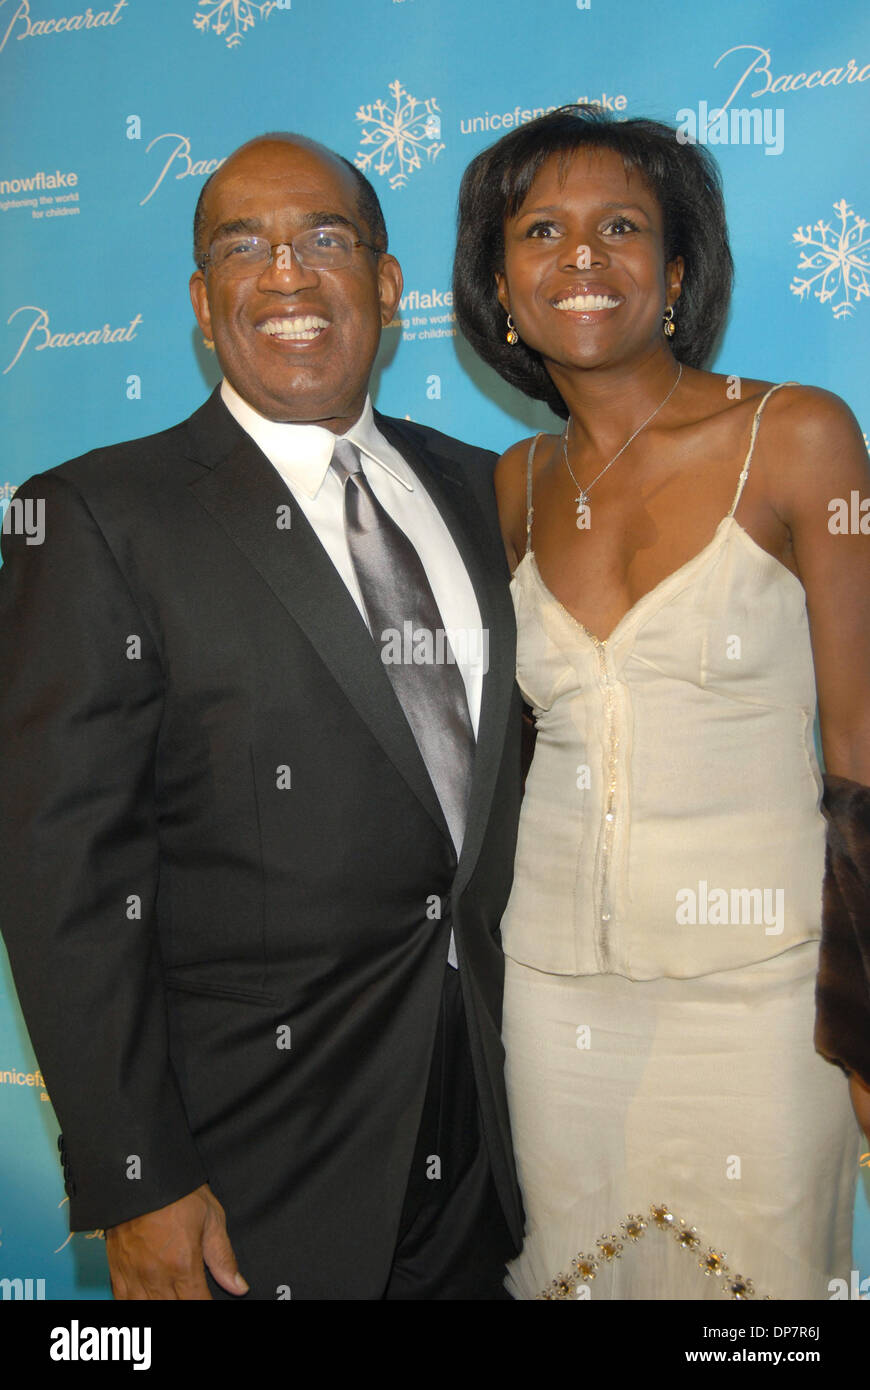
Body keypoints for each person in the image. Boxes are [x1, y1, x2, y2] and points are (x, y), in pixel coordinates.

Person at [0, 132, 525, 1300]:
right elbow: (60, 876)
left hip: (495, 1152)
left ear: (389, 286)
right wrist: (136, 1179)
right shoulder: (93, 516)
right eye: (244, 247)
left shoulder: (491, 493)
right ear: (202, 301)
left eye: (325, 239)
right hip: (252, 1178)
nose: (286, 274)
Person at [454, 104, 870, 1300]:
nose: (581, 258)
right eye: (541, 231)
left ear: (678, 270)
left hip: (769, 1004)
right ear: (500, 284)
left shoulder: (797, 438)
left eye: (621, 227)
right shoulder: (509, 487)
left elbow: (863, 758)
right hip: (553, 1003)